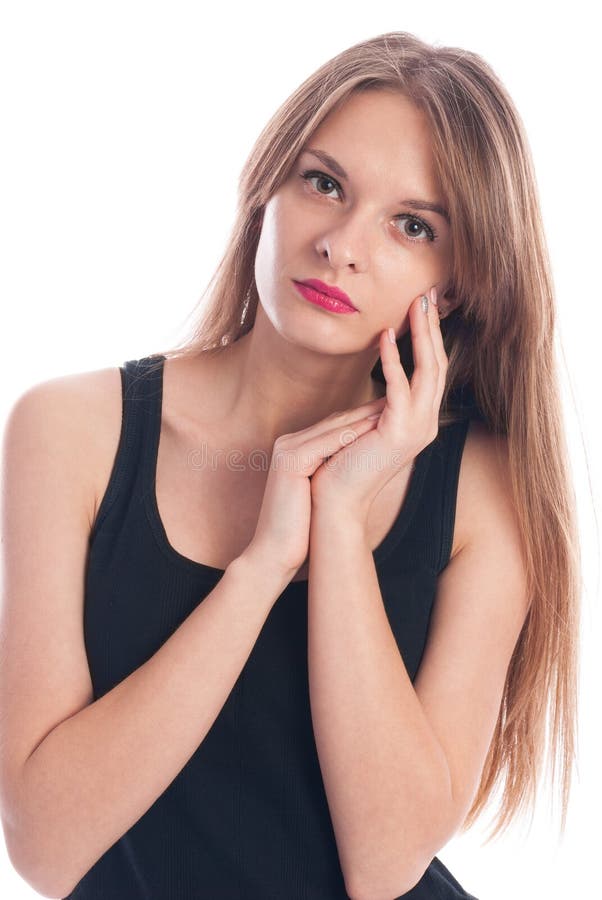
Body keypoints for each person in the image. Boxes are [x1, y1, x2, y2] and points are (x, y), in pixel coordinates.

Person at [0, 30, 580, 900]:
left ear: (452, 284)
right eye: (325, 182)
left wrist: (338, 522)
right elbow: (46, 847)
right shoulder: (72, 430)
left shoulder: (484, 490)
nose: (343, 244)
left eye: (411, 225)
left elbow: (384, 864)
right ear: (266, 185)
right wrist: (262, 565)